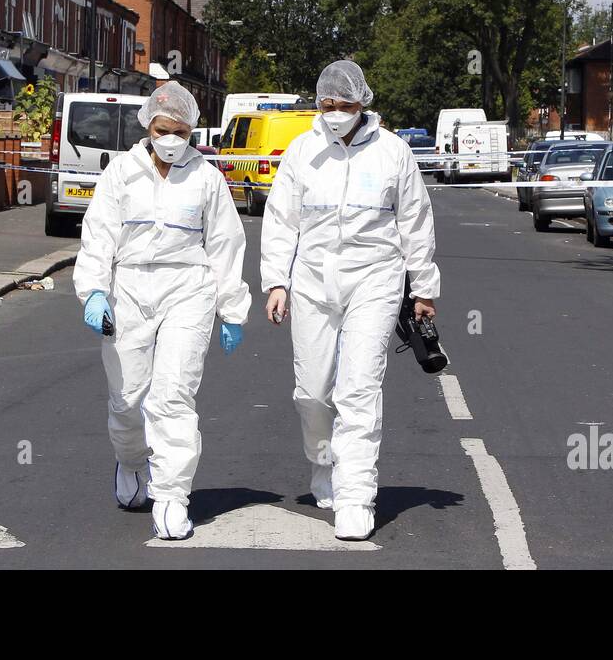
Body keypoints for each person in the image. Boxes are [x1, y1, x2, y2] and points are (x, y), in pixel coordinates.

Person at [260, 60, 440, 541]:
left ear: (363, 103)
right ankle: (324, 465)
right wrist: (276, 281)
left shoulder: (393, 153)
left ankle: (356, 496)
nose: (334, 112)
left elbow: (415, 222)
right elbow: (280, 219)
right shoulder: (302, 152)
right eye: (326, 104)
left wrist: (423, 288)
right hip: (314, 281)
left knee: (358, 390)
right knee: (313, 392)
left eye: (344, 104)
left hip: (375, 279)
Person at [74, 81, 251, 541]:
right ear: (148, 126)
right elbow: (98, 234)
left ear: (192, 132)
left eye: (181, 132)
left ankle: (172, 496)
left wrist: (232, 309)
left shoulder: (207, 178)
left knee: (173, 396)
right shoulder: (122, 172)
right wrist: (93, 291)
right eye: (163, 129)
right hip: (128, 285)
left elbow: (226, 245)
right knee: (128, 397)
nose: (171, 138)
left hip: (188, 288)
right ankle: (132, 462)